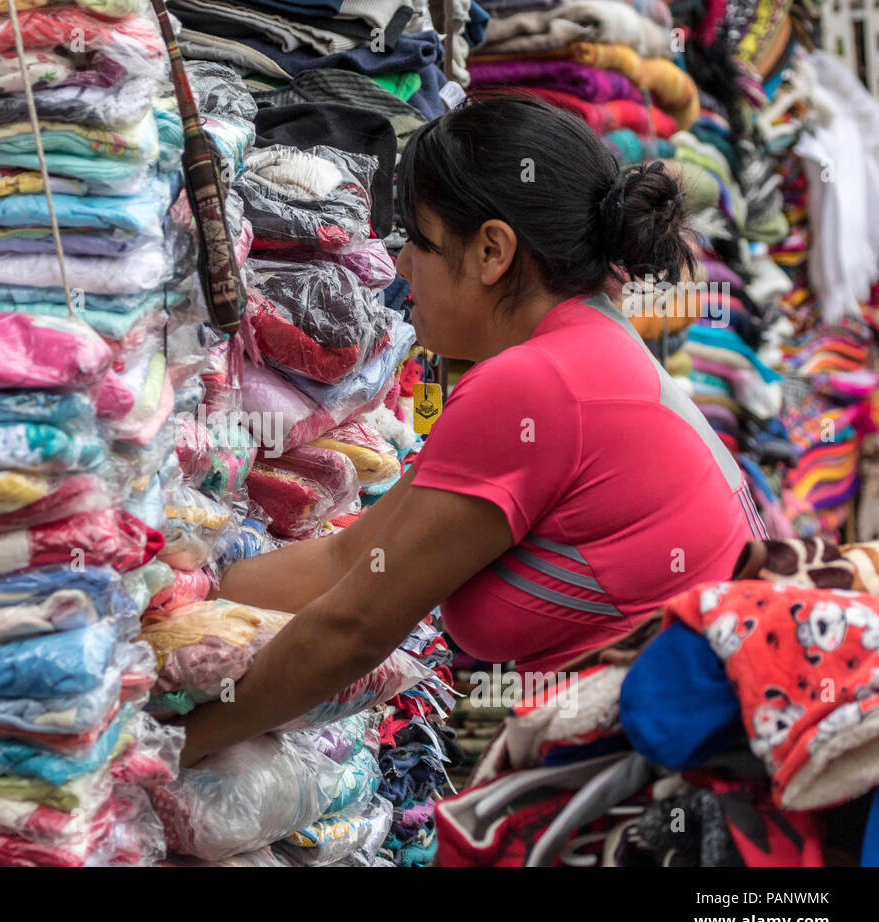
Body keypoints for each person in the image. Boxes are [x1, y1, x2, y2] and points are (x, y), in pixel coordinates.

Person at [174, 95, 766, 767]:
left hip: (650, 790)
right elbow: (353, 558)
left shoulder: (537, 385)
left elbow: (356, 626)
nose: (401, 269)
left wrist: (165, 748)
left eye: (419, 241)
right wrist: (175, 604)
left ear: (491, 250)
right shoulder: (592, 350)